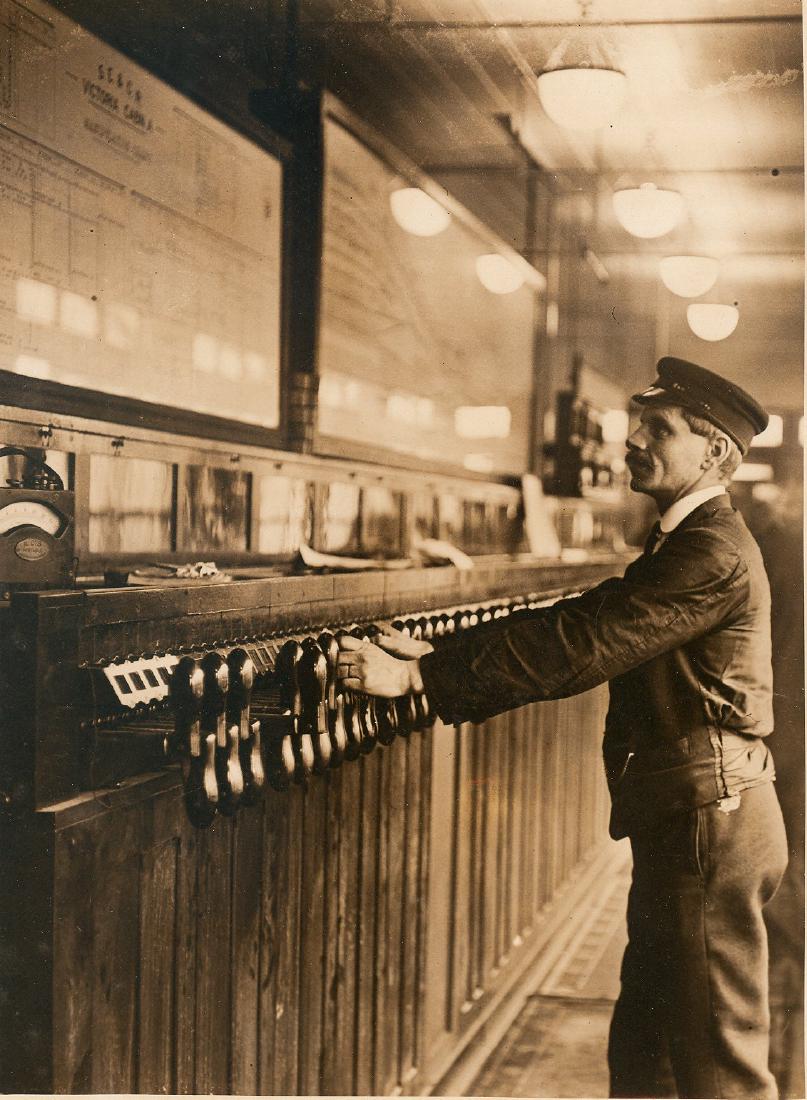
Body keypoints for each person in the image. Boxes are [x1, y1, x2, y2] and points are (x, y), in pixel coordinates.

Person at [338, 357, 788, 1100]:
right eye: (639, 423)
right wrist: (441, 652)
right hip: (690, 814)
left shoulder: (708, 549)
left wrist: (421, 679)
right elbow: (584, 616)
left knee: (718, 1067)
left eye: (658, 429)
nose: (634, 439)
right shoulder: (688, 537)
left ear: (712, 453)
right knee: (646, 1046)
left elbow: (585, 644)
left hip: (709, 825)